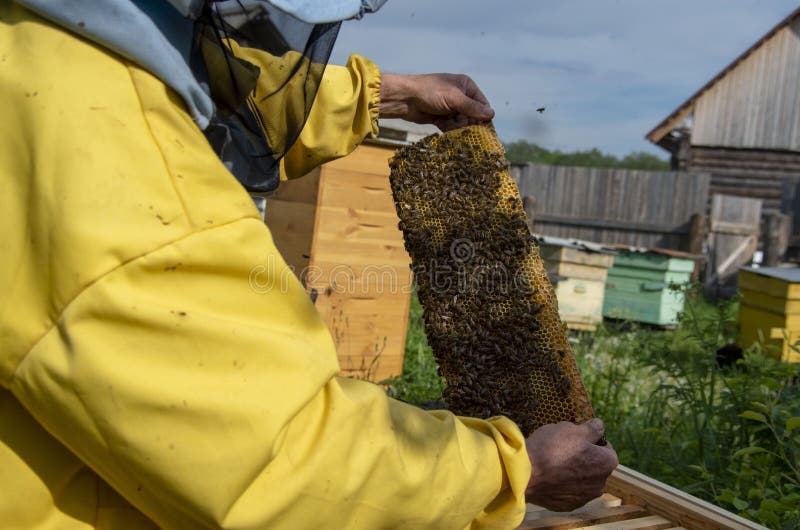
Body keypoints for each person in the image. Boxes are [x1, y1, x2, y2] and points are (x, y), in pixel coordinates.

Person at [0, 1, 618, 528]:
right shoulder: (125, 160)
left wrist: (385, 95)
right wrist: (515, 470)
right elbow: (283, 461)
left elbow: (222, 90)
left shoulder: (41, 41)